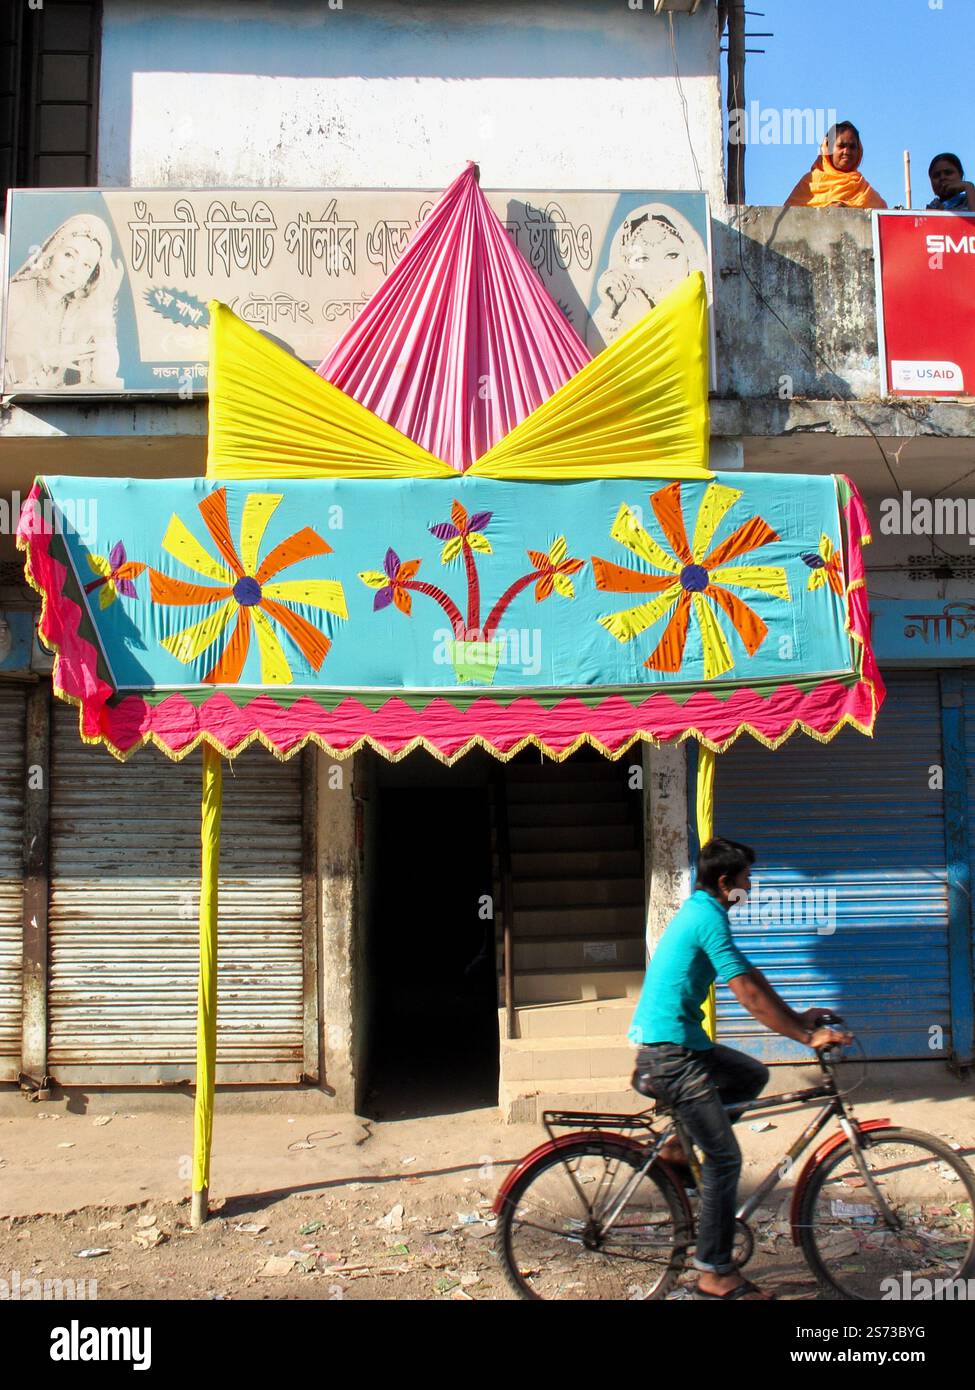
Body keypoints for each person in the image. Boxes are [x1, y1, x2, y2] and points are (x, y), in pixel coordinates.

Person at [629, 836, 851, 1301]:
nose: (751, 886)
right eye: (747, 880)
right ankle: (713, 1273)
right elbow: (747, 996)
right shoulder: (707, 918)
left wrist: (799, 1017)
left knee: (750, 1075)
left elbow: (752, 978)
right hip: (671, 1055)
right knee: (725, 1159)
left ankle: (673, 1152)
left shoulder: (705, 912)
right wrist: (806, 1038)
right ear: (727, 882)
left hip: (681, 1044)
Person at [4, 213, 124, 389]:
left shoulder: (79, 311)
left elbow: (105, 379)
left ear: (91, 276)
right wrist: (43, 358)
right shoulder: (13, 297)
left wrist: (104, 310)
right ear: (51, 253)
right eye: (69, 255)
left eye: (86, 265)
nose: (74, 270)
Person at [591, 203, 708, 347]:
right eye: (643, 259)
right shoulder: (625, 316)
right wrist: (609, 308)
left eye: (671, 255)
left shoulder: (700, 316)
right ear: (627, 268)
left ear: (690, 258)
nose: (659, 269)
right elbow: (592, 361)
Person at [785, 121, 887, 209]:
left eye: (852, 147)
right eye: (841, 146)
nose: (846, 151)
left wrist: (849, 211)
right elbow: (789, 221)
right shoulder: (810, 183)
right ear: (828, 149)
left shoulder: (863, 189)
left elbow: (881, 219)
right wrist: (827, 212)